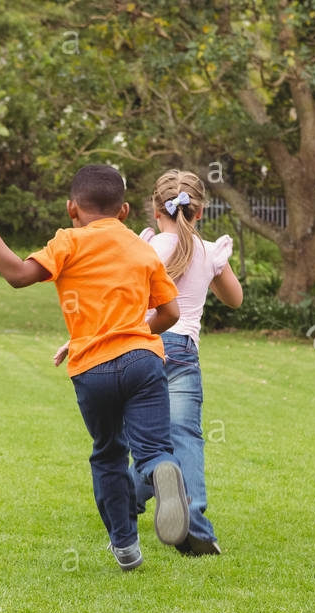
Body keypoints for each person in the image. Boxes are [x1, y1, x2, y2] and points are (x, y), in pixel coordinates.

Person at [0, 164, 190, 570]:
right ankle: (162, 469)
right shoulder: (142, 248)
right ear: (124, 212)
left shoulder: (67, 242)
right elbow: (170, 313)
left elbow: (18, 275)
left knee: (108, 454)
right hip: (143, 359)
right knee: (153, 449)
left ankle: (125, 547)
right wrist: (135, 329)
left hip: (92, 369)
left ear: (72, 208)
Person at [54, 169, 243, 555]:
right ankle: (196, 526)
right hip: (183, 350)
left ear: (154, 209)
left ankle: (126, 508)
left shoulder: (143, 247)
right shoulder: (209, 251)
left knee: (145, 445)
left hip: (138, 346)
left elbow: (114, 303)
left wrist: (77, 339)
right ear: (199, 211)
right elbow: (235, 300)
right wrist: (213, 266)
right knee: (184, 439)